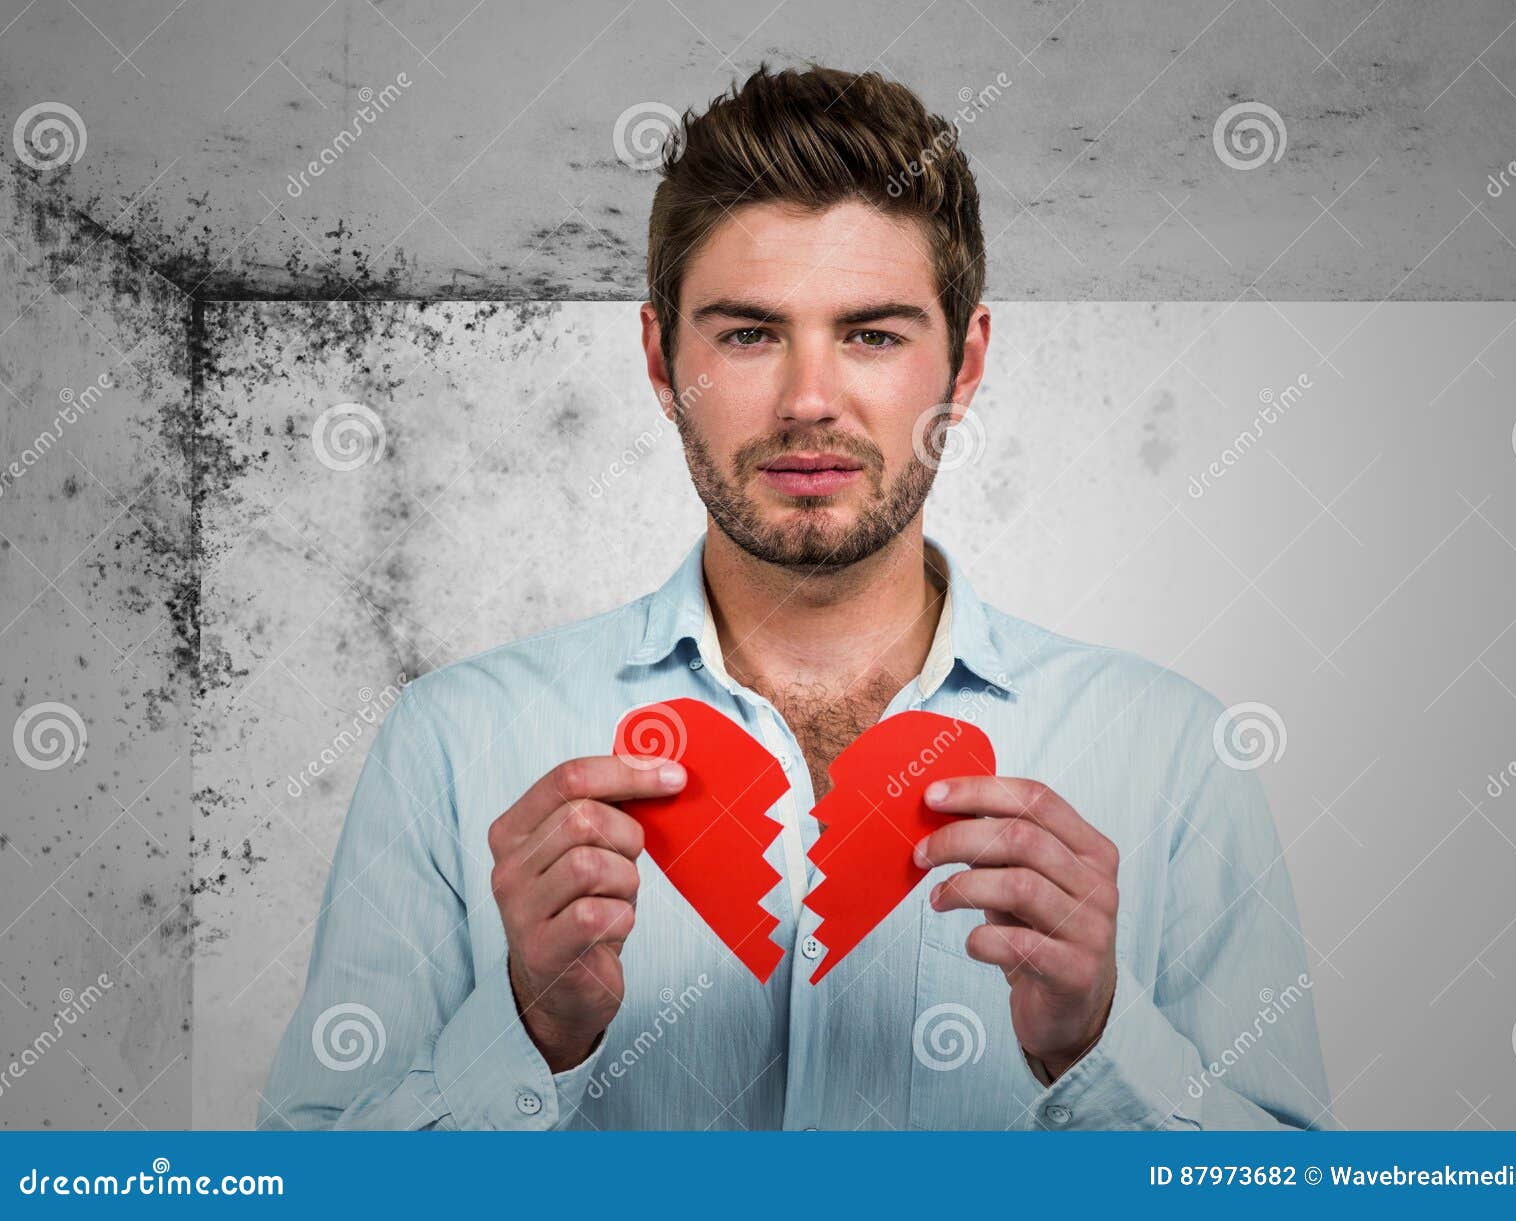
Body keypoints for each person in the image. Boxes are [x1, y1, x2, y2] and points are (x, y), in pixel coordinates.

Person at [259, 63, 1330, 1131]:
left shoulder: (1172, 755)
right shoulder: (452, 746)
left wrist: (1098, 1042)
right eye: (747, 334)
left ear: (963, 366)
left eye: (872, 335)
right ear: (661, 361)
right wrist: (528, 1033)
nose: (808, 400)